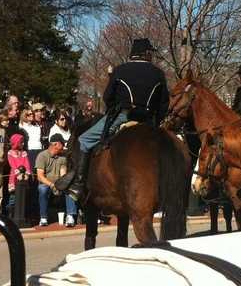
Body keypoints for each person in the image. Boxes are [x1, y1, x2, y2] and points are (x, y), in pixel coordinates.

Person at [67, 38, 169, 203]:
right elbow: (164, 104)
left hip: (123, 116)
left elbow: (108, 97)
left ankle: (79, 185)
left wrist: (114, 109)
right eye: (150, 53)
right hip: (148, 121)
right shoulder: (158, 73)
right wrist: (156, 121)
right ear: (146, 53)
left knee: (84, 140)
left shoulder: (120, 70)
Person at [36, 134, 76, 227]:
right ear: (56, 144)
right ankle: (43, 217)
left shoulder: (63, 157)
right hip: (47, 183)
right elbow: (40, 176)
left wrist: (62, 183)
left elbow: (63, 173)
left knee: (69, 188)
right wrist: (52, 185)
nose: (64, 146)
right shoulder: (42, 156)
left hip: (58, 183)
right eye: (62, 144)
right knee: (42, 189)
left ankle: (70, 216)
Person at [6, 133, 31, 224]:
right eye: (21, 142)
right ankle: (11, 215)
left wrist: (27, 174)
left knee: (23, 197)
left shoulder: (24, 153)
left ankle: (22, 216)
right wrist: (18, 174)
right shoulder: (10, 153)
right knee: (13, 197)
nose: (23, 144)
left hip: (23, 177)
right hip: (15, 177)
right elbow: (12, 165)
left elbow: (27, 164)